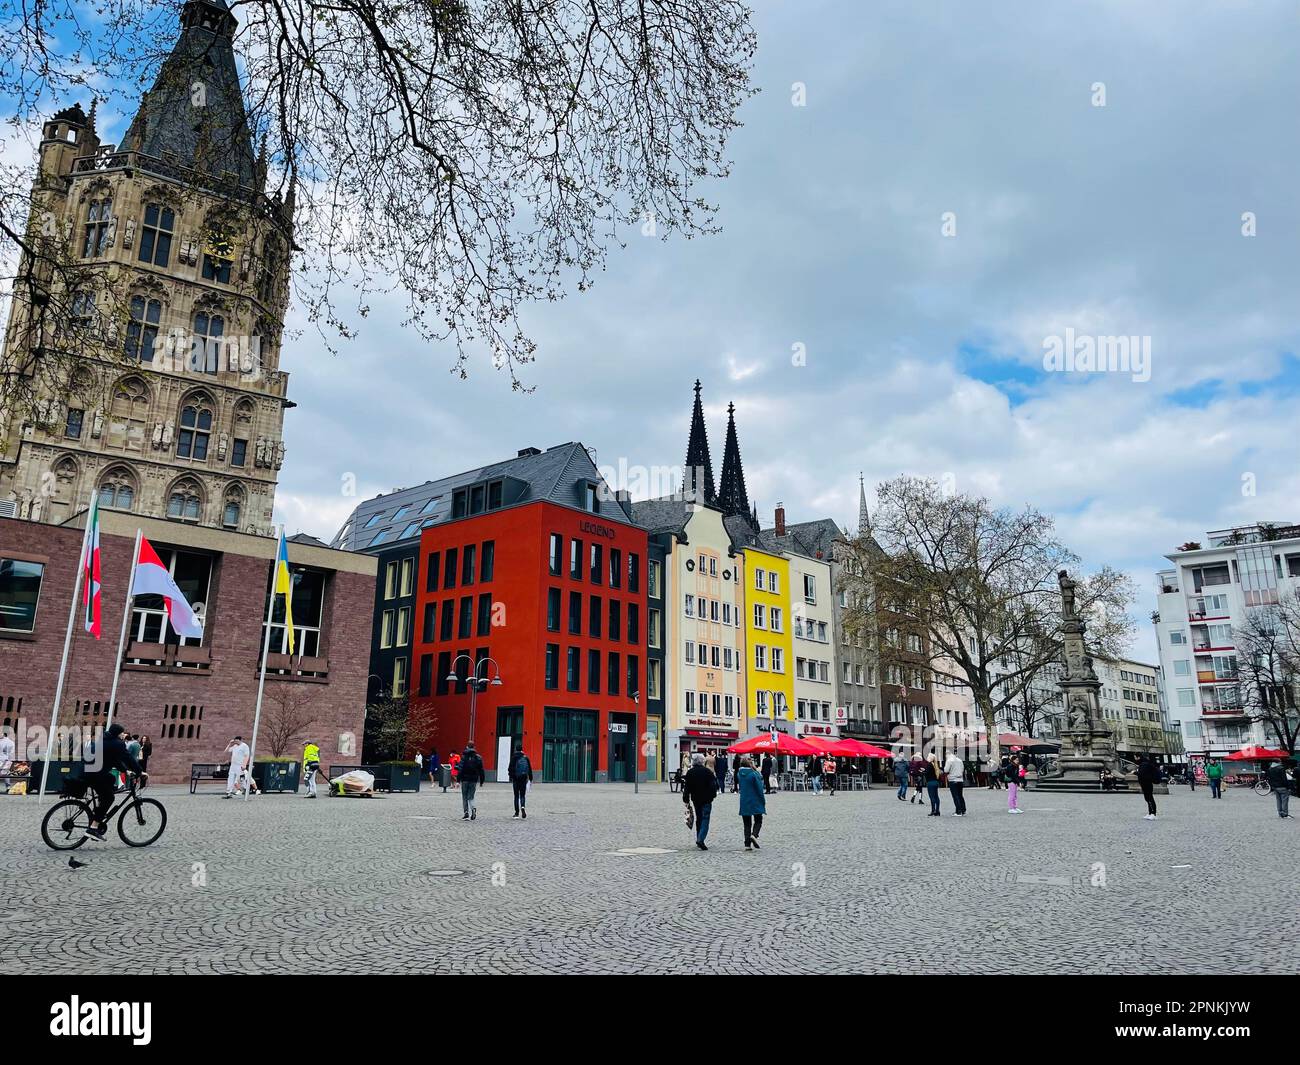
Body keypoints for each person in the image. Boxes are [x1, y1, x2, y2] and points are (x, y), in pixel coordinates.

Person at [81, 722, 146, 840]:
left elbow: (114, 760)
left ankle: (99, 810)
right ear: (118, 734)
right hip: (96, 775)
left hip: (87, 772)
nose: (123, 735)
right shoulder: (118, 744)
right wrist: (140, 772)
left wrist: (125, 770)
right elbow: (128, 758)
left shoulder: (102, 740)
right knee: (109, 798)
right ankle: (93, 828)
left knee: (111, 778)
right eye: (122, 733)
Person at [682, 753, 719, 850]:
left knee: (699, 818)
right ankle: (701, 839)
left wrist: (686, 798)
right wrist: (713, 796)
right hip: (706, 799)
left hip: (696, 799)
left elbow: (687, 787)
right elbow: (713, 786)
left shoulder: (690, 772)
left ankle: (699, 837)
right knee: (705, 818)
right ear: (702, 761)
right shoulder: (707, 772)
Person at [736, 754, 766, 850]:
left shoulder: (739, 774)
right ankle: (754, 835)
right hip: (755, 800)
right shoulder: (754, 774)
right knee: (758, 820)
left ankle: (747, 844)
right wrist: (763, 800)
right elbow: (759, 788)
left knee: (746, 823)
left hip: (744, 800)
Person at [458, 742, 486, 820]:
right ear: (474, 747)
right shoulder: (478, 757)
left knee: (464, 796)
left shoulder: (464, 757)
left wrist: (458, 780)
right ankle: (473, 808)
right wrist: (482, 781)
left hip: (465, 779)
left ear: (467, 747)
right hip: (473, 780)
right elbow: (481, 770)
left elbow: (460, 769)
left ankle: (466, 812)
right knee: (471, 796)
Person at [509, 743, 532, 818]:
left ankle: (516, 813)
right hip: (523, 778)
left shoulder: (514, 757)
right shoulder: (525, 757)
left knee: (516, 796)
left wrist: (511, 776)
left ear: (516, 749)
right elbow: (530, 769)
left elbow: (510, 768)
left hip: (516, 779)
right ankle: (522, 807)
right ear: (522, 749)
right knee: (522, 795)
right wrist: (530, 778)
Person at [1136, 754, 1161, 820]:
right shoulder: (1144, 763)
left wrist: (1135, 773)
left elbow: (1143, 774)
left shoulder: (1144, 764)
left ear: (1138, 757)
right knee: (1147, 798)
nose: (1135, 759)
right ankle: (1150, 813)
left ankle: (1153, 813)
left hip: (1147, 783)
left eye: (1135, 757)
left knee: (1149, 798)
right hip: (1145, 783)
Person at [944, 749, 967, 815]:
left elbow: (946, 770)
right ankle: (963, 810)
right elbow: (962, 769)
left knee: (955, 796)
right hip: (960, 780)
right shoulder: (960, 760)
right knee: (960, 795)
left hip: (953, 779)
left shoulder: (949, 760)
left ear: (948, 754)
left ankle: (958, 811)